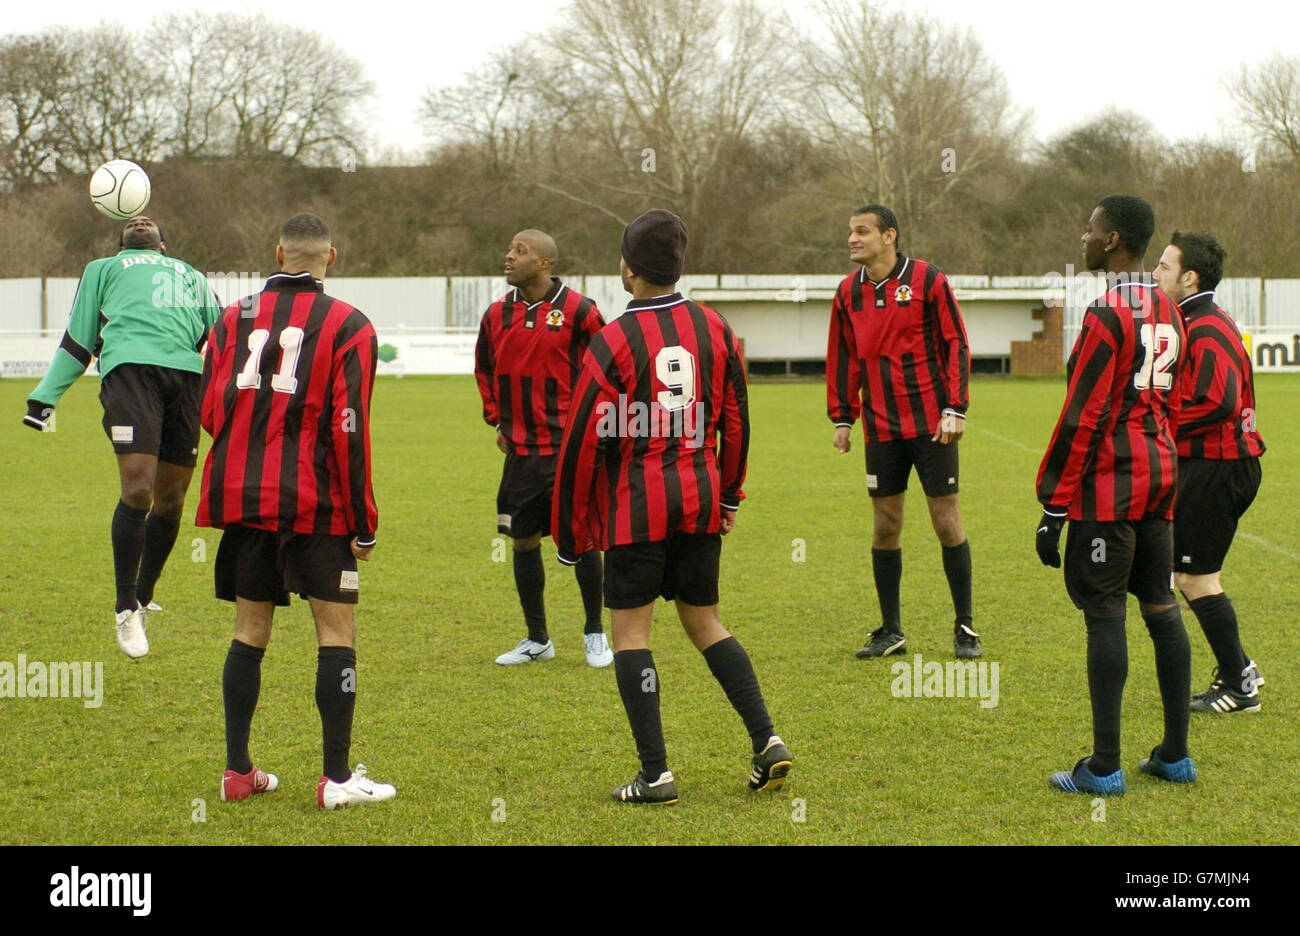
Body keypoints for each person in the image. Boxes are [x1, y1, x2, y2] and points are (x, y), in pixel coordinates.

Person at [553, 208, 791, 804]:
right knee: (706, 621)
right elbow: (735, 418)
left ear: (627, 269)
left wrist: (568, 526)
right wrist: (729, 492)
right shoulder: (715, 327)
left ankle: (656, 774)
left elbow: (583, 437)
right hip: (700, 495)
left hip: (637, 506)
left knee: (631, 634)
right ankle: (767, 739)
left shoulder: (612, 338)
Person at [196, 213, 396, 809]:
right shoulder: (349, 324)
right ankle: (336, 779)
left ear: (279, 252)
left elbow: (210, 411)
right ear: (330, 257)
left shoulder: (233, 316)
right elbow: (350, 427)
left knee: (248, 633)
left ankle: (238, 773)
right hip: (319, 505)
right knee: (336, 633)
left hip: (247, 501)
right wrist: (364, 520)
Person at [1036, 194, 1194, 795]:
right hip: (1159, 479)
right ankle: (1175, 755)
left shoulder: (1108, 311)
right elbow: (1172, 403)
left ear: (1112, 240)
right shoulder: (1169, 306)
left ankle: (1104, 767)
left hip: (1110, 489)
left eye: (1091, 226)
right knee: (1159, 605)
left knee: (1105, 615)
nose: (1083, 233)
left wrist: (1054, 504)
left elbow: (1083, 413)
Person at [23, 216, 221, 659]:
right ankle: (123, 607)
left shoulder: (192, 275)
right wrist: (44, 397)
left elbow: (224, 335)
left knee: (171, 500)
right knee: (138, 487)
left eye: (150, 223)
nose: (141, 220)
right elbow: (79, 338)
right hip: (130, 372)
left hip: (187, 381)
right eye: (133, 222)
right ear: (123, 244)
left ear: (164, 246)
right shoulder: (104, 269)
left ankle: (143, 596)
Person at [826, 204, 979, 660]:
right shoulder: (846, 292)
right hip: (880, 428)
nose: (852, 239)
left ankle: (965, 626)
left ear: (889, 235)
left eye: (862, 231)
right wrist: (842, 416)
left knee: (945, 521)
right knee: (885, 525)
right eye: (850, 231)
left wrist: (955, 407)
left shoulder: (929, 280)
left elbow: (956, 342)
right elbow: (843, 355)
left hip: (933, 426)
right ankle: (891, 630)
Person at [474, 230, 612, 667]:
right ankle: (538, 638)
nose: (508, 256)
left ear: (545, 263)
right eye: (510, 248)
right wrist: (497, 418)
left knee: (584, 540)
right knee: (523, 540)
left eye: (520, 251)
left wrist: (596, 430)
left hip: (570, 452)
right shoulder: (496, 314)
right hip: (521, 453)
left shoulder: (581, 312)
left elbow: (607, 371)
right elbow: (484, 368)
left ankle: (595, 633)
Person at [1153, 231, 1266, 713]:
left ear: (1189, 276)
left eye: (1163, 266)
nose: (1155, 275)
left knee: (1196, 580)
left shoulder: (1206, 327)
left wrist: (1156, 424)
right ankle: (1240, 666)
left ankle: (1240, 687)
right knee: (1189, 576)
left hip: (1219, 467)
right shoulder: (1196, 319)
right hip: (1216, 464)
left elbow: (1217, 402)